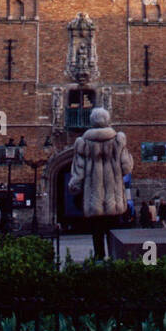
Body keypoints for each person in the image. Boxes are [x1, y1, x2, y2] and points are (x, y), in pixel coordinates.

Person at [68, 107, 133, 261]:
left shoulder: (83, 142)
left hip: (93, 198)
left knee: (96, 231)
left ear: (92, 121)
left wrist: (74, 186)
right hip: (114, 198)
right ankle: (114, 258)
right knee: (113, 231)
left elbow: (79, 172)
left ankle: (98, 259)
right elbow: (126, 168)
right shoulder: (118, 140)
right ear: (108, 120)